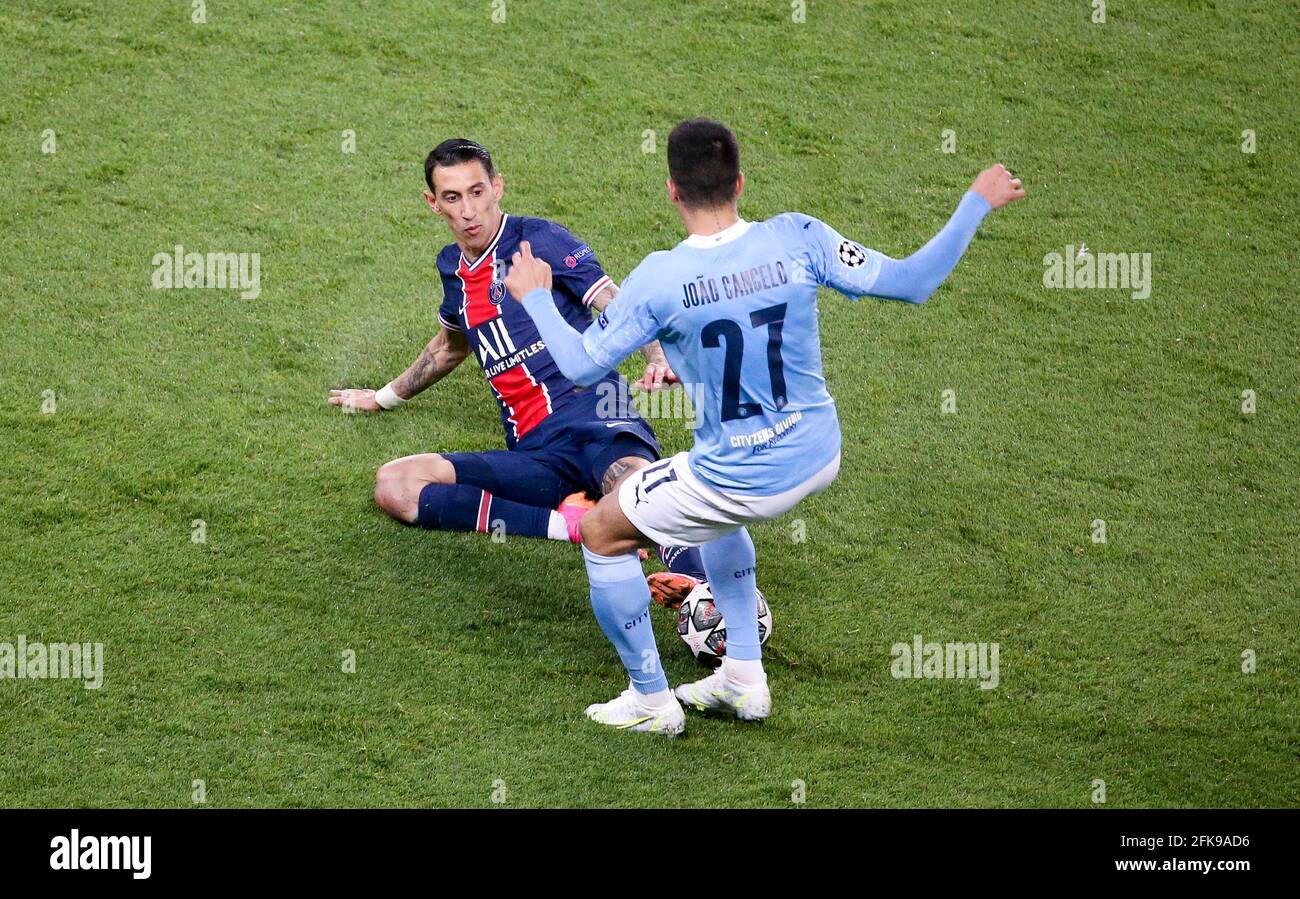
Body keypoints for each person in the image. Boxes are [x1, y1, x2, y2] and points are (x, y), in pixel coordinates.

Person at [506, 118, 1025, 735]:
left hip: (740, 472)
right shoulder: (798, 236)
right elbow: (913, 283)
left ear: (672, 191)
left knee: (600, 528)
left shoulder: (659, 278)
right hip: (817, 453)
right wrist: (975, 202)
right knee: (714, 513)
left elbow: (581, 366)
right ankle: (743, 680)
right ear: (741, 183)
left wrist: (537, 295)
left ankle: (650, 699)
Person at [328, 138, 706, 597]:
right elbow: (450, 346)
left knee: (632, 484)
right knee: (395, 485)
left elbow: (617, 305)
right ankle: (575, 524)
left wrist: (657, 356)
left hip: (595, 420)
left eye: (476, 192)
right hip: (532, 452)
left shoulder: (539, 239)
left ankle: (700, 591)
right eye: (452, 197)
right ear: (433, 204)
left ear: (497, 188)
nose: (468, 211)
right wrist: (383, 397)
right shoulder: (452, 269)